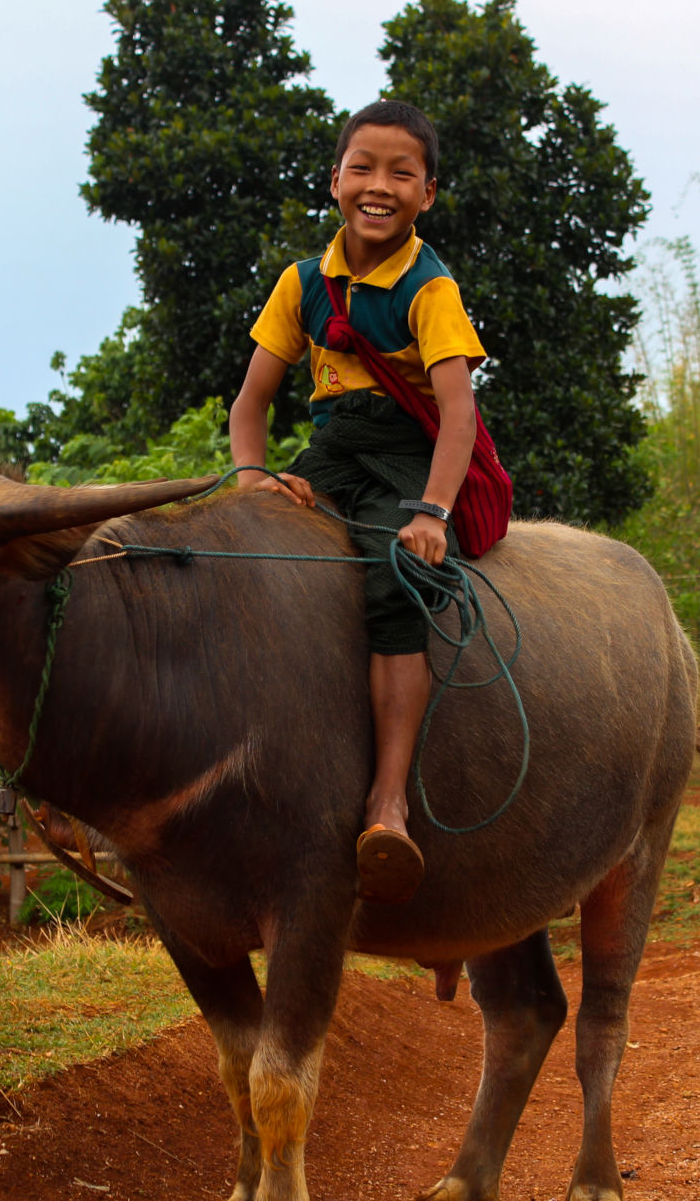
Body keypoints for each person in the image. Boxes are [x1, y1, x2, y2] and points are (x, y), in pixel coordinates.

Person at [228, 99, 490, 904]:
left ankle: (387, 798)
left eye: (401, 174)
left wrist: (432, 513)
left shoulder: (428, 287)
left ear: (428, 194)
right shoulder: (302, 284)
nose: (380, 187)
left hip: (406, 456)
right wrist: (253, 480)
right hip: (332, 446)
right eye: (364, 169)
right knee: (247, 548)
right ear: (336, 179)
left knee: (391, 581)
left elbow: (458, 415)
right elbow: (250, 407)